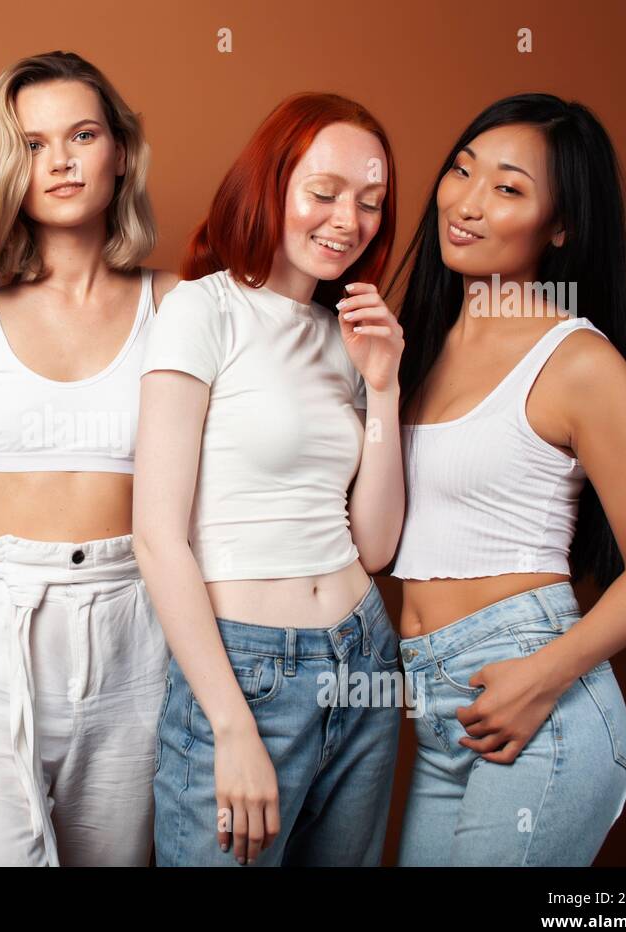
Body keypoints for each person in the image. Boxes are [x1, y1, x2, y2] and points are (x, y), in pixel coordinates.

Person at [387, 93, 626, 865]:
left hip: (539, 693)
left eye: (509, 188)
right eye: (462, 170)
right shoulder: (412, 348)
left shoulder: (578, 362)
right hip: (439, 707)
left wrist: (540, 679)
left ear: (561, 228)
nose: (468, 202)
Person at [0, 51, 177, 866]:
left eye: (82, 135)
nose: (59, 161)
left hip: (134, 624)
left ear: (120, 151)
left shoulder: (178, 303)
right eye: (30, 144)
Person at [136, 93, 406, 866]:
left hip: (363, 658)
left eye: (371, 202)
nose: (347, 220)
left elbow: (378, 545)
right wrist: (228, 724)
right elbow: (157, 538)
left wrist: (383, 387)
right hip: (248, 667)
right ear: (271, 184)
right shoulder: (202, 308)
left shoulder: (345, 338)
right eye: (323, 193)